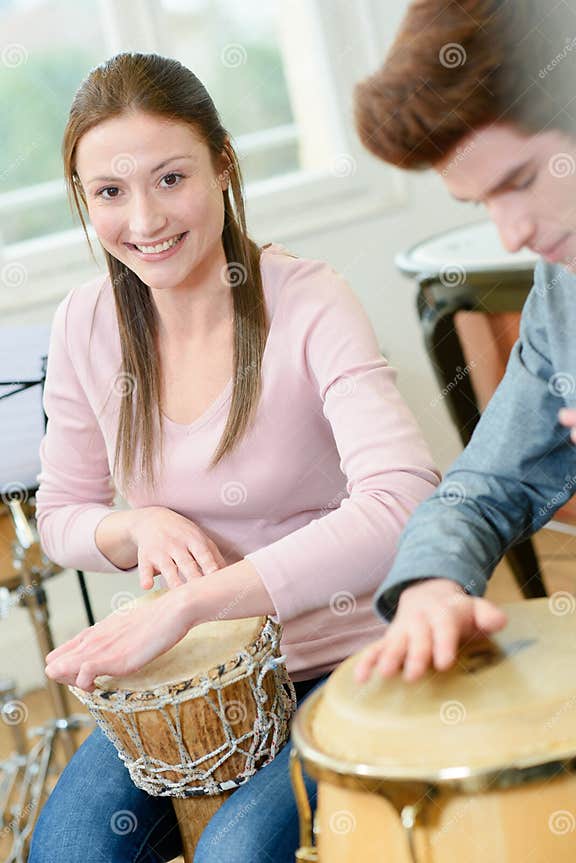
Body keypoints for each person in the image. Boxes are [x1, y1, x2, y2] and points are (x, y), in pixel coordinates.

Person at [28, 52, 439, 862]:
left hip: (345, 658)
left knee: (235, 854)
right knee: (70, 849)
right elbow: (59, 517)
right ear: (85, 200)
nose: (144, 221)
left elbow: (402, 505)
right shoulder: (84, 322)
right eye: (110, 192)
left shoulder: (310, 300)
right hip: (186, 676)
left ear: (222, 164)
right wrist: (134, 525)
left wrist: (195, 601)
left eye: (170, 178)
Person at [352, 0, 576, 684]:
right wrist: (432, 584)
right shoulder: (562, 292)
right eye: (482, 203)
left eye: (521, 180)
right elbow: (487, 482)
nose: (511, 234)